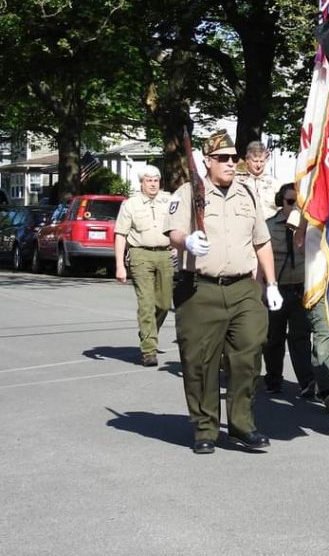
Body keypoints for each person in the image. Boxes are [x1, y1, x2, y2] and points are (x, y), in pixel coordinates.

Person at [165, 129, 284, 455]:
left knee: (248, 354)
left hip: (244, 287)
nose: (231, 163)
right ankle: (205, 428)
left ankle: (242, 424)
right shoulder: (190, 192)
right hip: (200, 289)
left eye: (234, 158)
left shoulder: (247, 193)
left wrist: (271, 283)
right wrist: (185, 241)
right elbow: (173, 230)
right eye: (223, 159)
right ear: (207, 161)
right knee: (200, 363)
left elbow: (261, 240)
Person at [113, 165, 174, 367]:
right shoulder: (131, 204)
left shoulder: (169, 200)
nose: (153, 184)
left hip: (165, 255)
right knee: (146, 303)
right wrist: (119, 266)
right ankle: (149, 349)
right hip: (140, 255)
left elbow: (180, 224)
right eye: (149, 180)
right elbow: (121, 234)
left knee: (164, 304)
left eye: (156, 180)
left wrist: (178, 246)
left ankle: (148, 331)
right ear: (141, 183)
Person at [259, 183, 316, 396]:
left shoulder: (308, 225)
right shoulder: (269, 226)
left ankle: (307, 382)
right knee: (274, 338)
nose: (294, 206)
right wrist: (262, 287)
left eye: (298, 202)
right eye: (290, 202)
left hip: (301, 287)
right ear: (280, 202)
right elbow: (260, 258)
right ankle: (274, 379)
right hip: (278, 288)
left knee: (300, 337)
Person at [237, 140, 281, 218]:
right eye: (255, 161)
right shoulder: (238, 182)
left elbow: (282, 208)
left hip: (269, 226)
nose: (259, 165)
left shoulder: (275, 184)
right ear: (247, 160)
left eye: (262, 161)